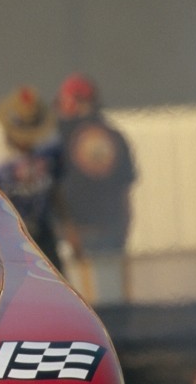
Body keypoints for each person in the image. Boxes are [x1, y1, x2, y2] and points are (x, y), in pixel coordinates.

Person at [55, 73, 136, 301]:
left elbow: (54, 189)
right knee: (112, 299)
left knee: (73, 304)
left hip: (73, 233)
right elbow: (125, 190)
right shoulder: (115, 136)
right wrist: (124, 226)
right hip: (111, 230)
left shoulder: (59, 138)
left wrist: (66, 229)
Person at [0, 86, 67, 272]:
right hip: (3, 235)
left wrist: (67, 224)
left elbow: (57, 187)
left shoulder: (50, 143)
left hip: (42, 230)